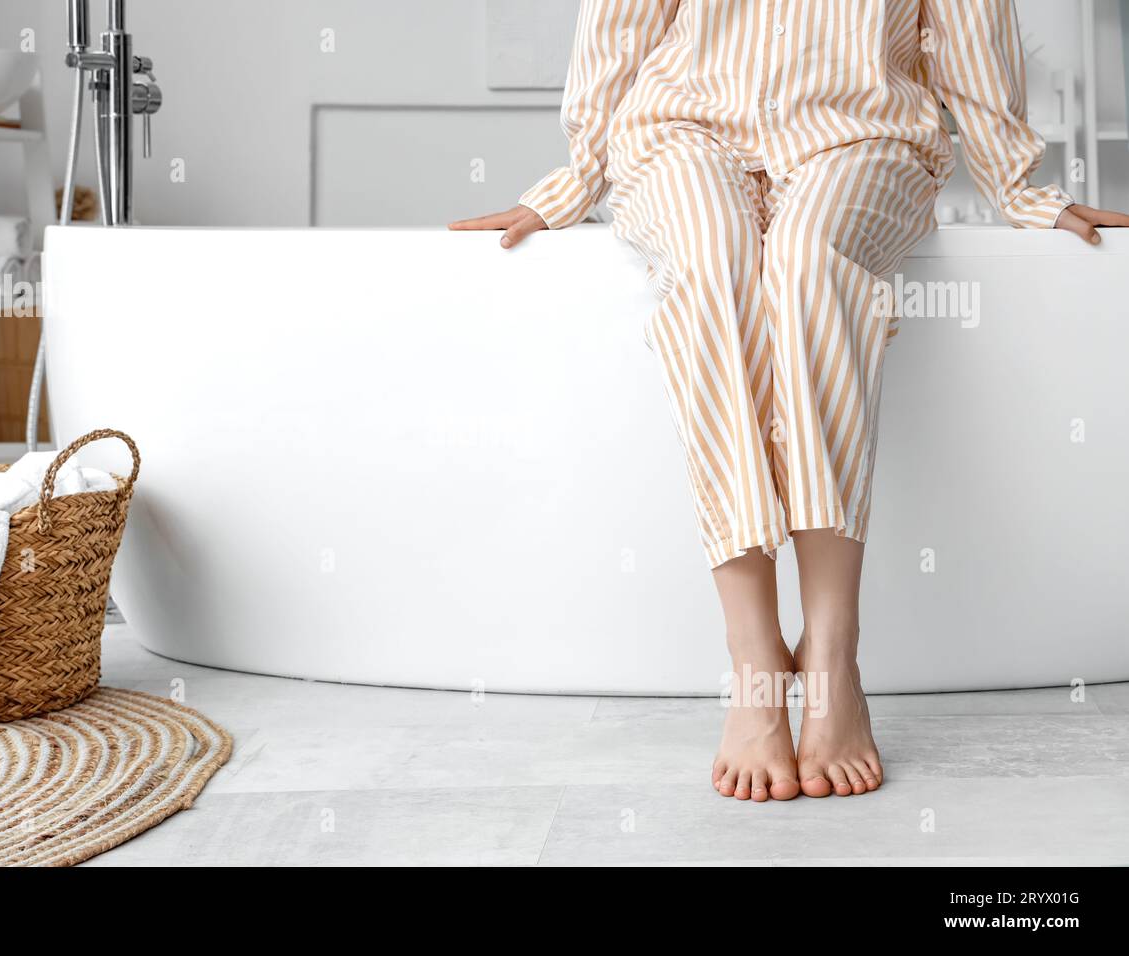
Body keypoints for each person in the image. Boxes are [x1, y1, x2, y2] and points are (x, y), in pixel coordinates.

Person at [450, 0, 1129, 801]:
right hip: (680, 127)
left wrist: (1017, 185)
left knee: (808, 265)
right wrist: (574, 181)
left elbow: (969, 28)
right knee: (710, 266)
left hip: (863, 129)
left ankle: (834, 652)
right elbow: (620, 24)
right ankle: (756, 657)